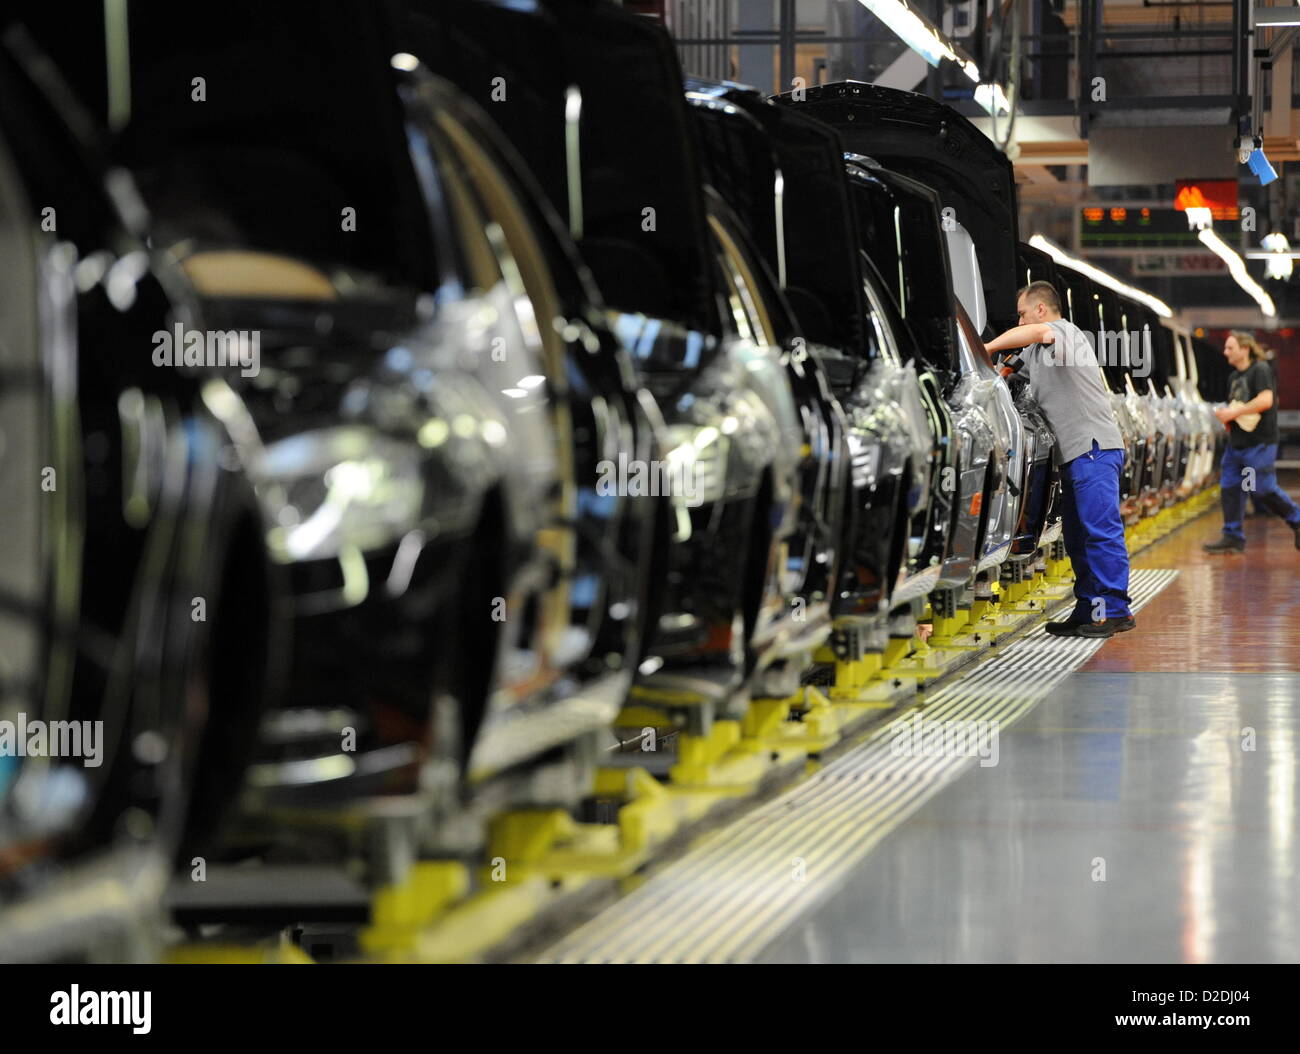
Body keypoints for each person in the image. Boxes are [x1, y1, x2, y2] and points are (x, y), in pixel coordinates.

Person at [984, 281, 1134, 638]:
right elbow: (1002, 376)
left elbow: (1037, 332)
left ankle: (1115, 610)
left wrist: (985, 345)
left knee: (1100, 530)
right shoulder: (1034, 353)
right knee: (1078, 536)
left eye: (1021, 313)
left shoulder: (1066, 333)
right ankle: (1087, 609)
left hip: (1094, 449)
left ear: (1040, 309)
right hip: (1074, 455)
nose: (1019, 322)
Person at [1203, 331, 1300, 552]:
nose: (1225, 352)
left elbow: (1266, 400)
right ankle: (1233, 536)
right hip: (1237, 444)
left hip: (1258, 444)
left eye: (1230, 348)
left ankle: (1296, 518)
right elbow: (1239, 409)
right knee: (1231, 488)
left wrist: (1234, 414)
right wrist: (1228, 418)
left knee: (1261, 488)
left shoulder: (1260, 370)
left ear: (1245, 349)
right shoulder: (1234, 377)